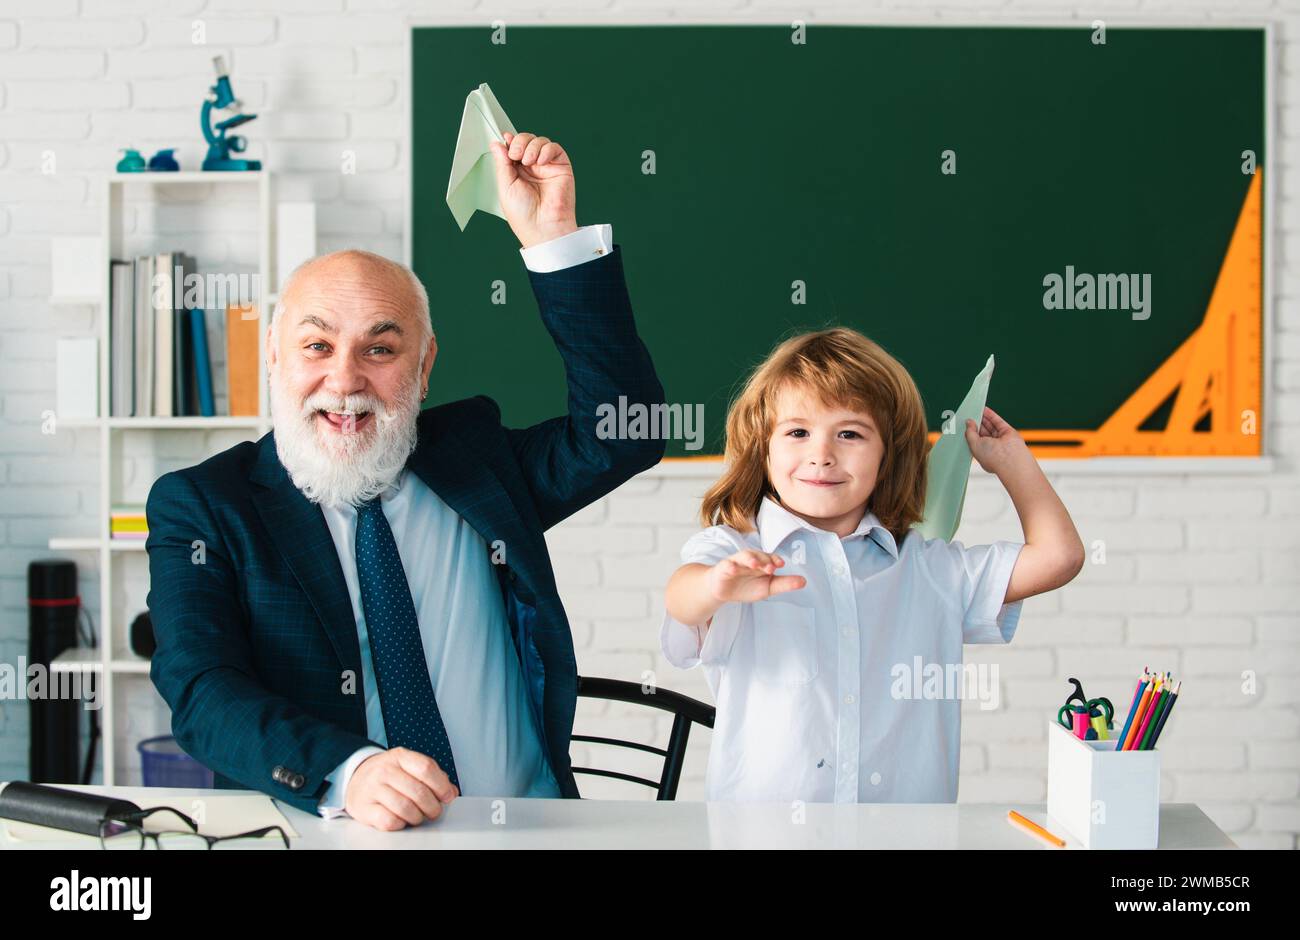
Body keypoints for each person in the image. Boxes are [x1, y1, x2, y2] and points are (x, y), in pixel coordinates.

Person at [146, 130, 664, 830]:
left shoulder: (475, 460)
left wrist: (553, 239)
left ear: (423, 369)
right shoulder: (206, 507)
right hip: (343, 835)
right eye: (317, 345)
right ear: (275, 357)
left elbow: (621, 431)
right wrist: (349, 772)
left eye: (380, 349)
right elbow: (203, 691)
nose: (345, 379)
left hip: (530, 830)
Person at [661, 327, 1084, 802]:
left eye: (850, 434)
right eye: (798, 432)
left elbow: (1059, 557)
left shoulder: (930, 569)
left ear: (887, 456)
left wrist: (1013, 462)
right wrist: (717, 585)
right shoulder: (735, 551)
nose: (821, 454)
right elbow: (683, 598)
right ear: (763, 447)